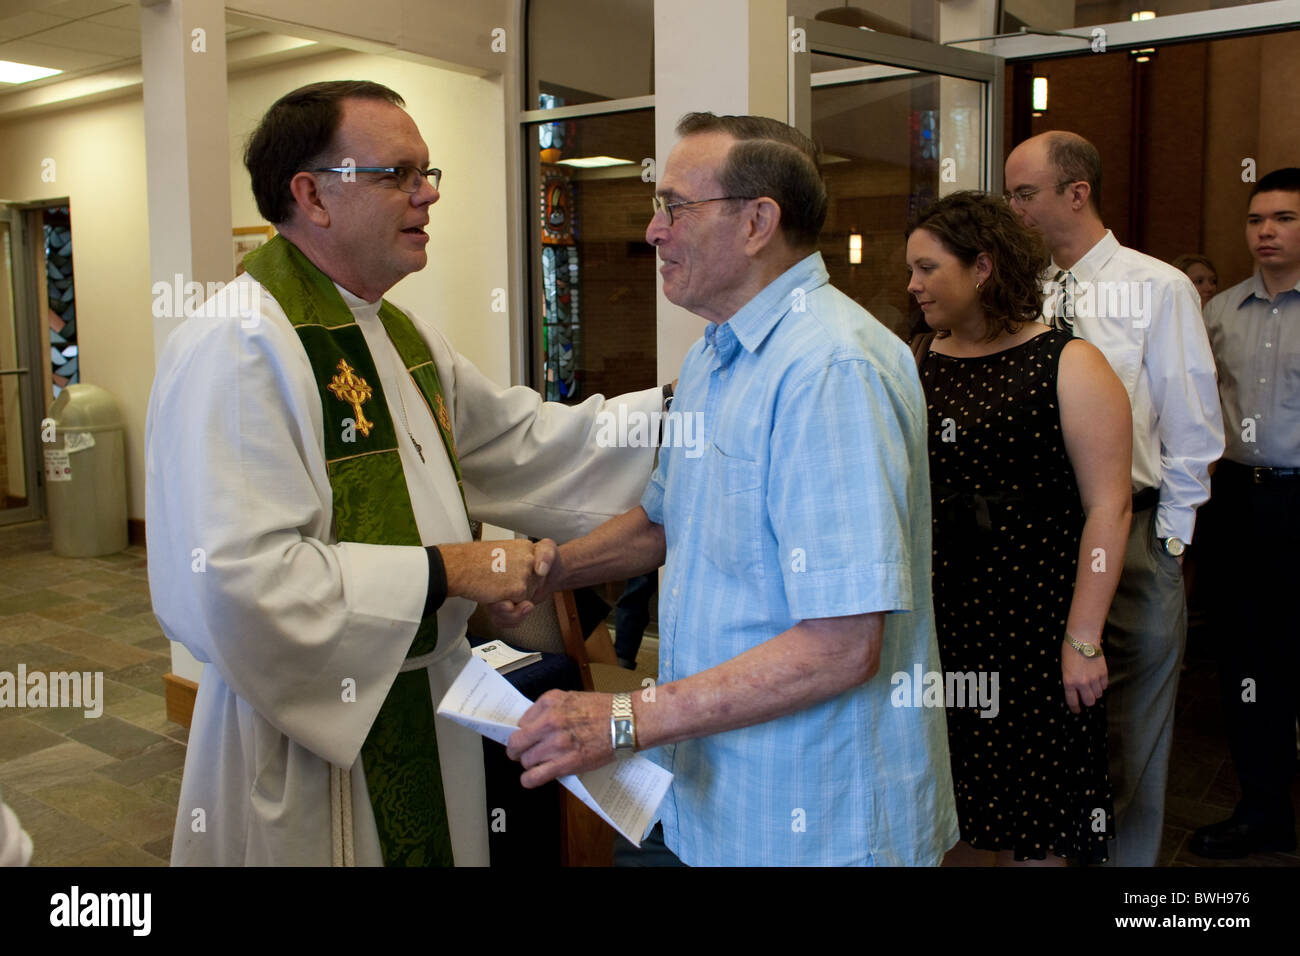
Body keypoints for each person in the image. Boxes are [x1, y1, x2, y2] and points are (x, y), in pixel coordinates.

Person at [147, 80, 664, 866]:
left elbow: (526, 443)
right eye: (398, 174)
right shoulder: (239, 345)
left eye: (428, 173)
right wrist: (450, 571)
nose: (427, 194)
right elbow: (234, 584)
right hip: (312, 740)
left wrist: (689, 409)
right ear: (311, 196)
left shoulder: (398, 332)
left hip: (426, 694)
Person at [495, 112, 959, 866]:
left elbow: (842, 646)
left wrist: (622, 718)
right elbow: (665, 519)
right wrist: (550, 571)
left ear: (756, 223)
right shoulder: (716, 353)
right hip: (713, 790)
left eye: (675, 207)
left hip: (815, 812)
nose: (653, 231)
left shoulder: (830, 369)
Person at [1004, 131, 1224, 866]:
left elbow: (1193, 429)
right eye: (1008, 194)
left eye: (1023, 193)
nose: (1012, 209)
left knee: (1129, 732)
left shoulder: (1157, 288)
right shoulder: (1022, 293)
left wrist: (1169, 545)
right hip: (1036, 532)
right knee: (1051, 721)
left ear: (1077, 193)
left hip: (1132, 529)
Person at [907, 192, 1131, 865]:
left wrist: (1083, 639)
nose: (913, 285)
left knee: (1039, 811)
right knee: (953, 804)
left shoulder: (1070, 362)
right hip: (943, 621)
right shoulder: (918, 358)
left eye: (927, 268)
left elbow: (1109, 507)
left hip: (1035, 620)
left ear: (982, 267)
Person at [1191, 167, 1300, 859]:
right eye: (1257, 219)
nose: (1266, 231)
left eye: (1284, 218)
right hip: (1237, 499)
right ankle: (1262, 810)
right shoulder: (1219, 312)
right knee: (1246, 662)